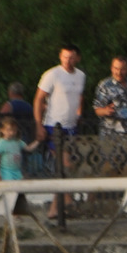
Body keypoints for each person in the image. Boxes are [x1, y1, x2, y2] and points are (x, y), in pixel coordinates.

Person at [33, 46, 85, 221]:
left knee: (65, 167)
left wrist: (78, 112)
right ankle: (67, 201)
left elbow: (79, 96)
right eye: (64, 57)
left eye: (71, 57)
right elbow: (39, 98)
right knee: (65, 165)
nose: (67, 61)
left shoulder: (80, 76)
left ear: (77, 58)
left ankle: (56, 208)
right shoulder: (52, 74)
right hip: (53, 125)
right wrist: (39, 125)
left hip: (71, 126)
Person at [92, 56, 127, 135]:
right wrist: (105, 111)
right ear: (111, 68)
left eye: (122, 69)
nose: (119, 72)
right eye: (116, 68)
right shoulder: (105, 85)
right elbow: (97, 109)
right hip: (111, 134)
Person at [0, 116, 37, 183]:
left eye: (14, 130)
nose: (11, 133)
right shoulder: (1, 143)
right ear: (2, 130)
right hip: (6, 170)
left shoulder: (18, 141)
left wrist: (37, 141)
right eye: (8, 130)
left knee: (21, 185)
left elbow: (29, 148)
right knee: (9, 187)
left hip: (17, 170)